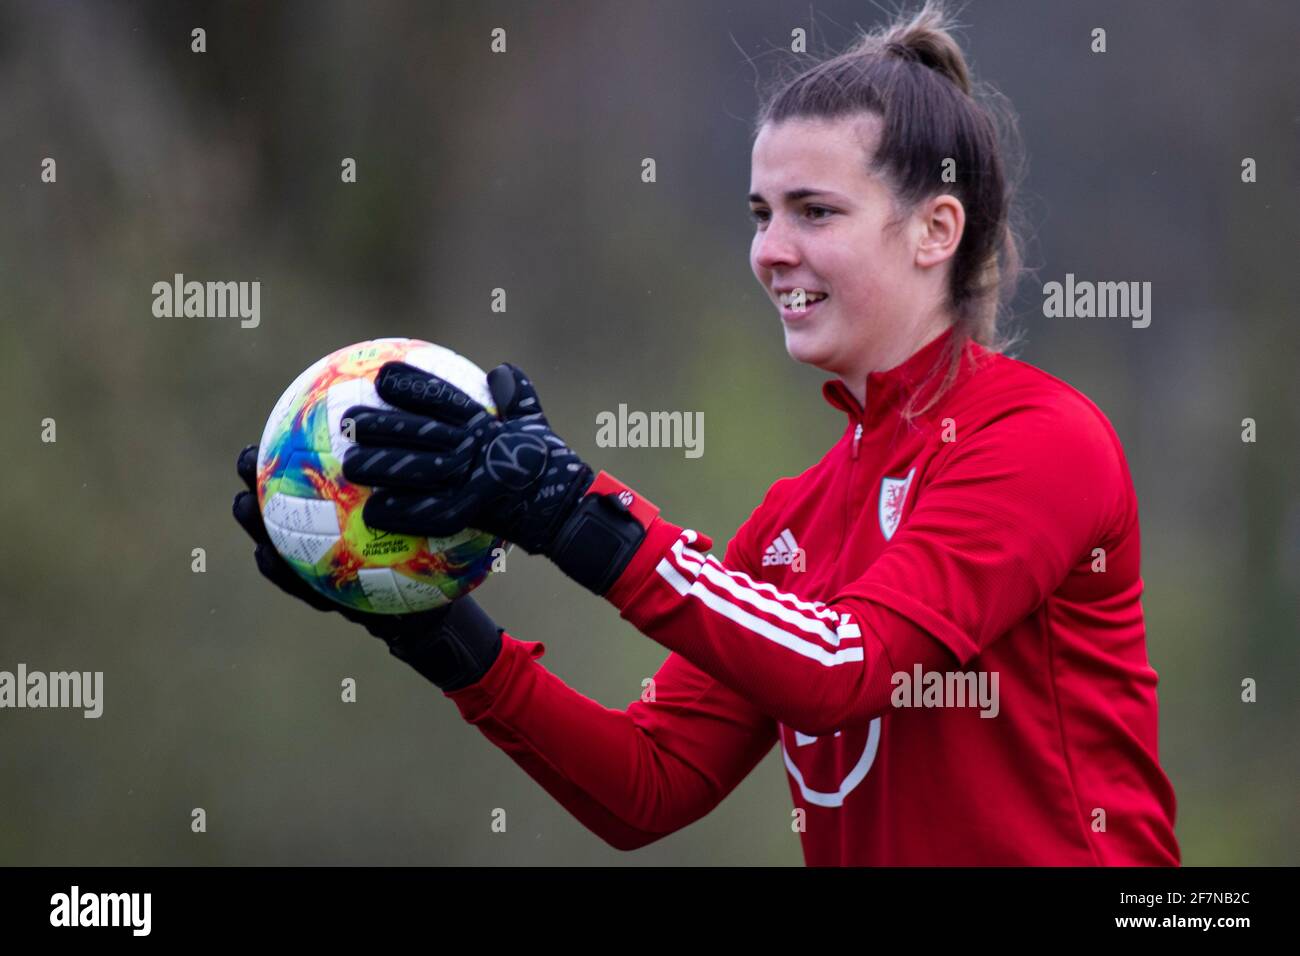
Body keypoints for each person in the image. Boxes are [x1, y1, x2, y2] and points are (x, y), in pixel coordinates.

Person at [233, 2, 1179, 865]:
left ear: (936, 229)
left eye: (815, 211)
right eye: (762, 214)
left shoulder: (1041, 438)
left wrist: (572, 511)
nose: (771, 250)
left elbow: (845, 666)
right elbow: (646, 785)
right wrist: (428, 621)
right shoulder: (792, 521)